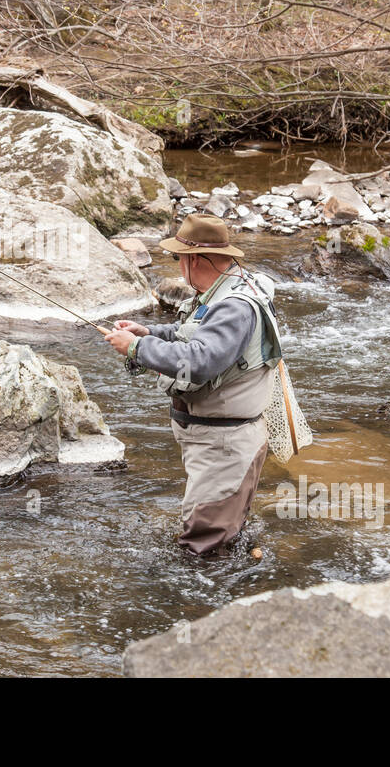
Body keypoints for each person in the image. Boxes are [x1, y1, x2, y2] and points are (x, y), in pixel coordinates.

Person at [104, 213, 281, 555]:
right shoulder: (227, 288)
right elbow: (195, 333)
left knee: (202, 549)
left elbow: (199, 362)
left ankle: (209, 605)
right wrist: (150, 332)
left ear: (194, 259)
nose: (179, 266)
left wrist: (137, 348)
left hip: (224, 447)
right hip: (219, 442)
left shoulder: (233, 307)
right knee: (219, 534)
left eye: (178, 257)